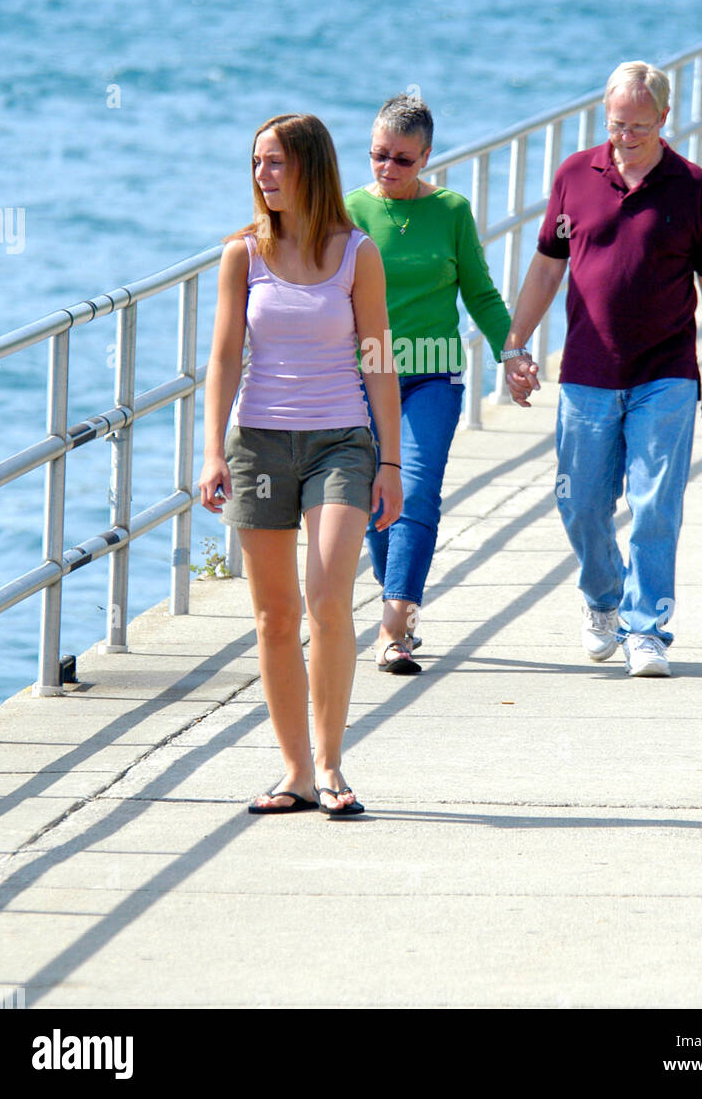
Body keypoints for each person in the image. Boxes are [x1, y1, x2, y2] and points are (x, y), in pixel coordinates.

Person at [503, 61, 702, 677]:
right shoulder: (574, 175)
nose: (624, 136)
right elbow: (549, 266)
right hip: (587, 371)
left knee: (656, 503)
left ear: (663, 118)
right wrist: (515, 345)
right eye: (615, 124)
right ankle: (603, 598)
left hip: (666, 372)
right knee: (581, 503)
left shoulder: (693, 189)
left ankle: (647, 628)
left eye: (637, 125)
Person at [199, 114, 402, 814]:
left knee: (327, 600)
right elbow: (224, 358)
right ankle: (293, 772)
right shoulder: (242, 255)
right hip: (257, 444)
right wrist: (211, 452)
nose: (263, 175)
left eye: (277, 163)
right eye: (257, 162)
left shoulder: (357, 254)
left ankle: (332, 766)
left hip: (340, 443)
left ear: (311, 168)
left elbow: (377, 358)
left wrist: (392, 462)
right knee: (276, 616)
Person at [346, 93, 514, 674]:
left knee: (415, 489)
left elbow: (482, 294)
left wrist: (510, 351)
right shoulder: (348, 213)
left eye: (402, 159)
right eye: (377, 156)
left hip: (433, 375)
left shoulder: (452, 211)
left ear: (427, 157)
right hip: (365, 372)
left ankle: (395, 626)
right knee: (375, 496)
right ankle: (397, 599)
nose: (388, 169)